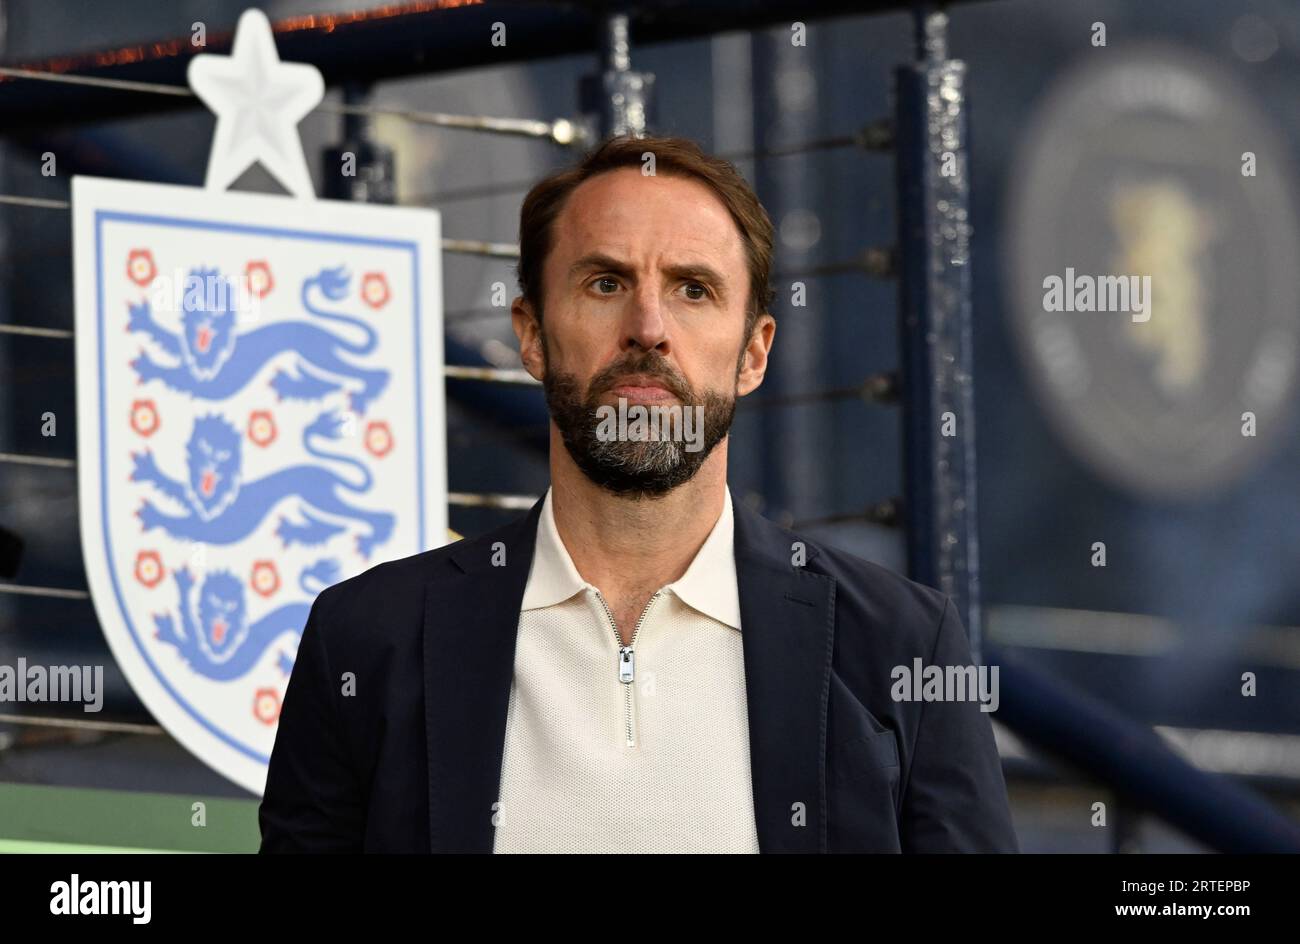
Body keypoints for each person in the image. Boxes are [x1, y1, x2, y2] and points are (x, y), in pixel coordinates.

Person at [259, 134, 1018, 853]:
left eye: (694, 289)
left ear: (753, 354)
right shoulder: (367, 639)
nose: (648, 327)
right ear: (531, 333)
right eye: (605, 283)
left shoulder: (900, 647)